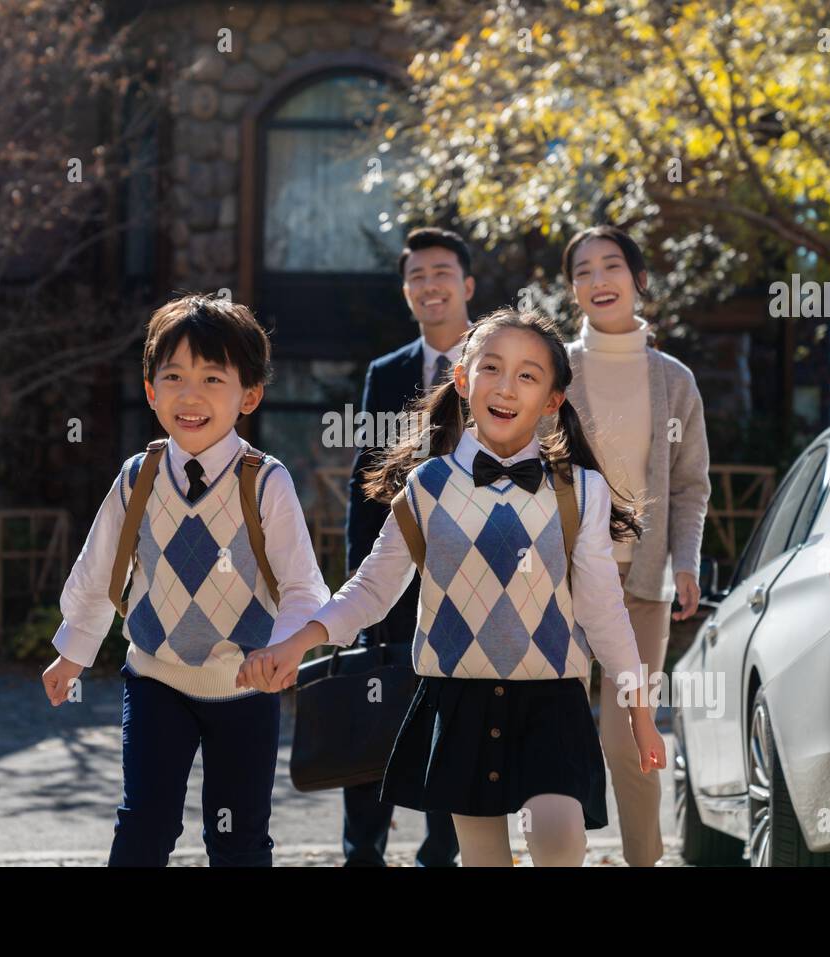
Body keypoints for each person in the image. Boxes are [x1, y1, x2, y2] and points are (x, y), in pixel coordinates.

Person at [239, 308, 667, 867]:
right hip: (459, 699)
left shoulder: (581, 491)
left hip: (553, 701)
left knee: (558, 836)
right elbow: (371, 590)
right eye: (491, 368)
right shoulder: (425, 487)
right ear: (463, 379)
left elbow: (604, 611)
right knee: (482, 857)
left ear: (553, 399)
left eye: (528, 375)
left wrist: (639, 711)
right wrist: (298, 642)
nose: (506, 386)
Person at [41, 294, 330, 867]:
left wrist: (284, 650)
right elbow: (100, 571)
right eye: (173, 377)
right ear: (151, 391)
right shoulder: (137, 478)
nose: (190, 395)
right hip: (156, 679)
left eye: (212, 378)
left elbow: (302, 586)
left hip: (244, 688)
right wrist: (73, 651)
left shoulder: (265, 481)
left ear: (249, 396)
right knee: (144, 825)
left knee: (238, 838)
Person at [560, 225, 711, 866]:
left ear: (639, 279)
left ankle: (643, 860)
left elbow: (690, 485)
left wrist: (686, 562)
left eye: (612, 266)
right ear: (573, 289)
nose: (598, 281)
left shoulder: (674, 381)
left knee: (629, 739)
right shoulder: (555, 369)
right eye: (583, 271)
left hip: (643, 586)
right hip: (559, 580)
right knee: (557, 733)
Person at [339, 226, 473, 867]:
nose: (429, 285)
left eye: (441, 272)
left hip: (476, 575)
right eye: (417, 276)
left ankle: (441, 854)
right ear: (406, 291)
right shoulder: (386, 373)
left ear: (467, 284)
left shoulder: (498, 363)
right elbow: (366, 482)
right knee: (375, 709)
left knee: (456, 718)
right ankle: (362, 851)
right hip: (396, 575)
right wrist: (355, 591)